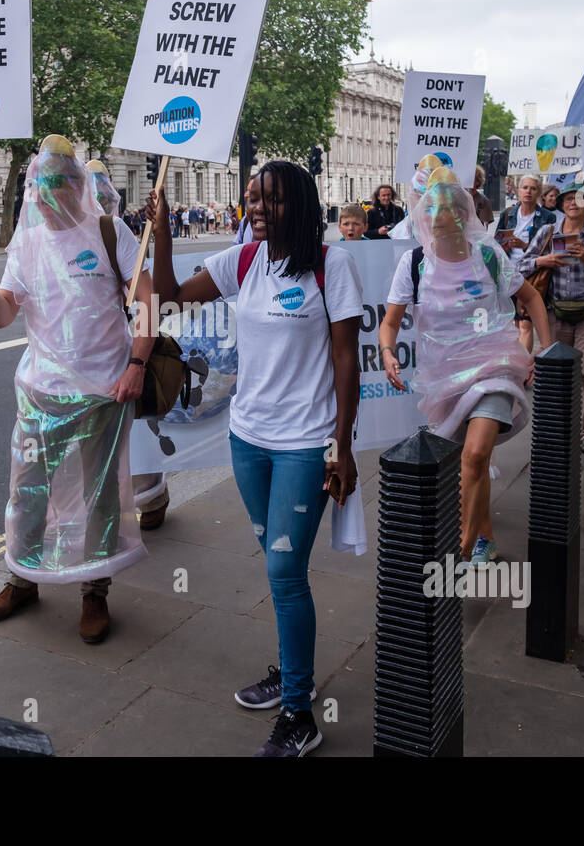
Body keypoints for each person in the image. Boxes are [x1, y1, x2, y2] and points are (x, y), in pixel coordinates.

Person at [146, 159, 363, 757]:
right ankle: (291, 670)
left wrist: (342, 445)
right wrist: (162, 232)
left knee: (283, 573)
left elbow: (346, 359)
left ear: (297, 202)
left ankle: (299, 713)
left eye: (269, 199)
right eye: (250, 198)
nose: (256, 208)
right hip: (248, 439)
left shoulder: (330, 264)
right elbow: (167, 299)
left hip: (306, 443)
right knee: (276, 563)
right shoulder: (245, 260)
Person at [0, 135, 155, 644]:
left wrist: (137, 362)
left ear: (78, 188)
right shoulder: (25, 245)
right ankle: (22, 579)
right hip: (41, 392)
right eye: (41, 190)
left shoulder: (109, 231)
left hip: (105, 389)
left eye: (59, 188)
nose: (49, 200)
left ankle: (95, 590)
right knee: (26, 491)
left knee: (102, 495)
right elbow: (4, 316)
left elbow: (148, 299)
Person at [379, 164, 550, 563]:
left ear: (462, 214)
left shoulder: (487, 255)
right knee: (463, 463)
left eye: (446, 212)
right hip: (444, 379)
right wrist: (388, 354)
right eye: (430, 213)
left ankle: (458, 549)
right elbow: (389, 323)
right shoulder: (414, 264)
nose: (437, 220)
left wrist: (545, 349)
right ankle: (485, 536)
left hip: (495, 367)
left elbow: (533, 299)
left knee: (475, 456)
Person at [88, 158, 172, 532]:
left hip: (120, 350)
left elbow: (145, 295)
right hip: (84, 357)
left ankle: (152, 494)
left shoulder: (114, 231)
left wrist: (138, 354)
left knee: (136, 427)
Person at [519, 180, 584, 457]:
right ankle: (559, 429)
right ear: (561, 204)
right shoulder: (547, 232)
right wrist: (544, 261)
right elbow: (519, 266)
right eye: (567, 200)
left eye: (578, 198)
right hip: (555, 310)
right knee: (557, 371)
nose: (572, 203)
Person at [495, 175, 555, 351]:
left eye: (533, 188)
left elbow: (549, 249)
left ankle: (523, 367)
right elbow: (495, 242)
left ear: (539, 193)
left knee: (526, 324)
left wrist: (524, 245)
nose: (528, 191)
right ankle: (515, 360)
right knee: (514, 323)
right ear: (518, 191)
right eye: (525, 187)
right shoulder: (508, 214)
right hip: (508, 272)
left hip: (532, 275)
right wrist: (504, 244)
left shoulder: (547, 217)